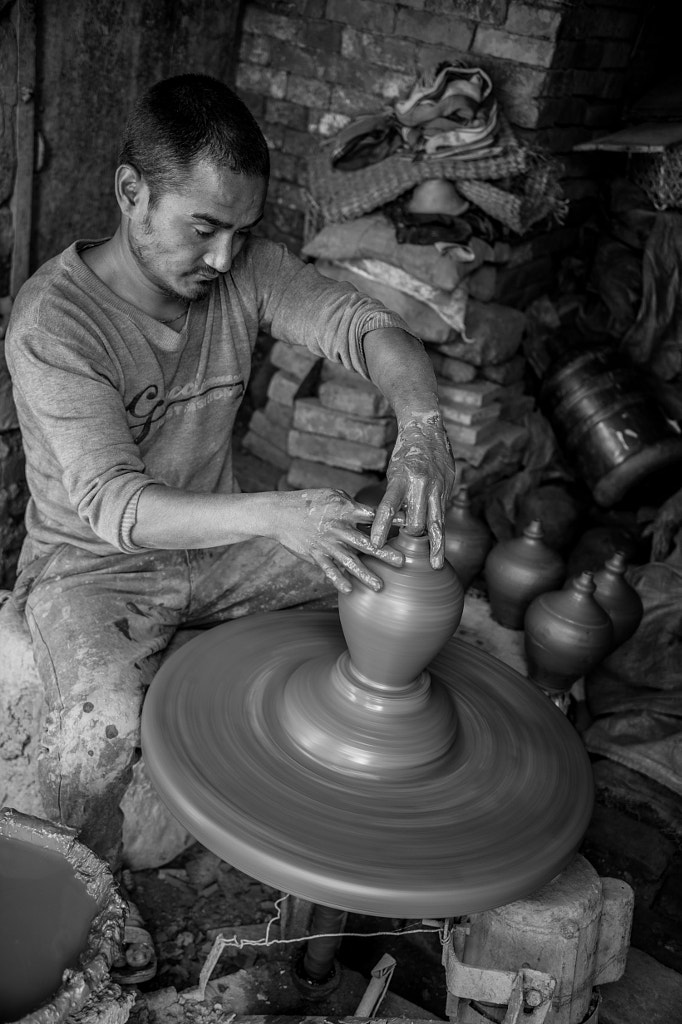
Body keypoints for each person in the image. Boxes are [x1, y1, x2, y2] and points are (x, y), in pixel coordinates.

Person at [5, 72, 455, 959]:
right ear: (133, 194)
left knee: (380, 564)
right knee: (97, 733)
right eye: (201, 228)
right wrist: (279, 513)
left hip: (215, 548)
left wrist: (424, 422)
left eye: (238, 233)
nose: (221, 259)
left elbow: (365, 327)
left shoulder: (245, 268)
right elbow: (115, 507)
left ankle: (331, 825)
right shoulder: (54, 324)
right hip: (92, 567)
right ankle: (78, 899)